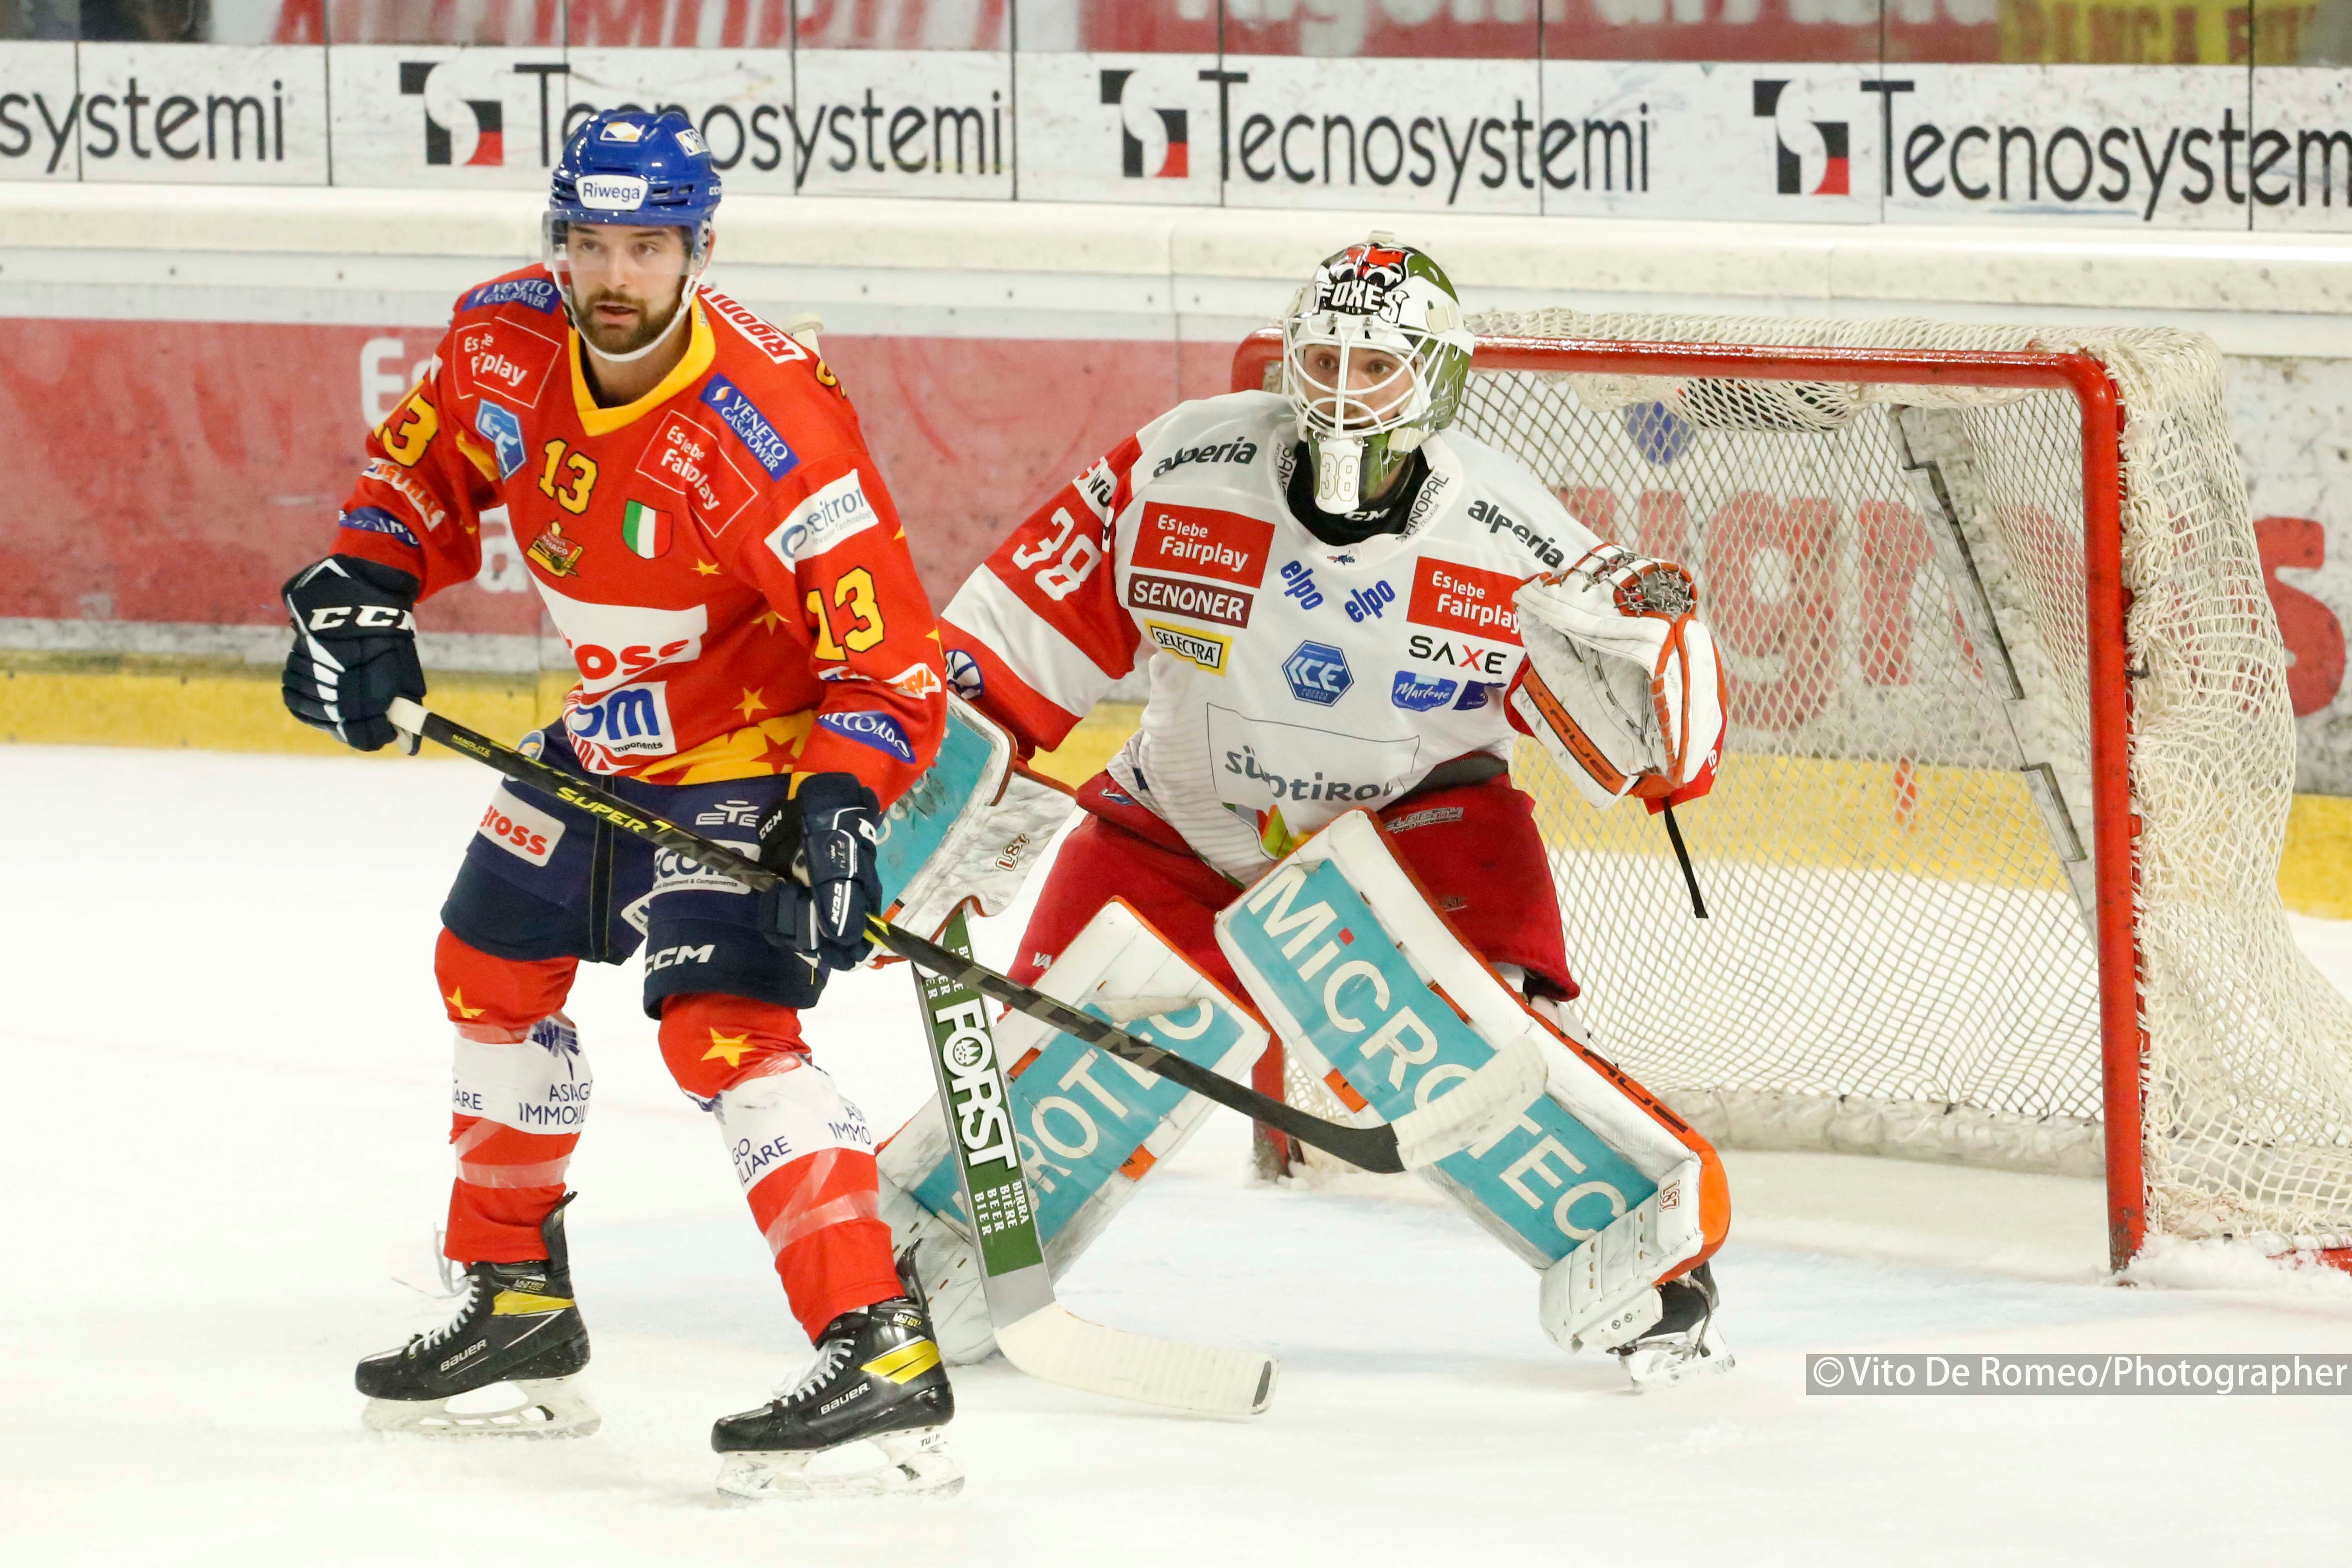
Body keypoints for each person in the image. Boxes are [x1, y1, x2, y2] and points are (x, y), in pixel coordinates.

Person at [278, 108, 960, 1498]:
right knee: (486, 967)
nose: (612, 274)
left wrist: (838, 807)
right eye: (590, 241)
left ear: (697, 249)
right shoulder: (501, 336)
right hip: (605, 743)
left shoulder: (775, 427)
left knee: (723, 1028)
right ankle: (518, 1301)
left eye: (645, 246)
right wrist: (364, 589)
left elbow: (890, 658)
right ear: (557, 240)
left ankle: (877, 1344)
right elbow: (424, 468)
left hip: (754, 751)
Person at [931, 234, 1731, 1384]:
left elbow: (1642, 755)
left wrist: (1662, 703)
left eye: (1379, 368)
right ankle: (950, 1251)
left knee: (1477, 1042)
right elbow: (1011, 636)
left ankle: (1652, 1266)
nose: (1345, 392)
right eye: (1326, 360)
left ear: (1438, 383)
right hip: (1185, 824)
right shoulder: (1180, 466)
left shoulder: (1512, 537)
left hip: (1412, 833)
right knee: (1066, 1049)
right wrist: (922, 776)